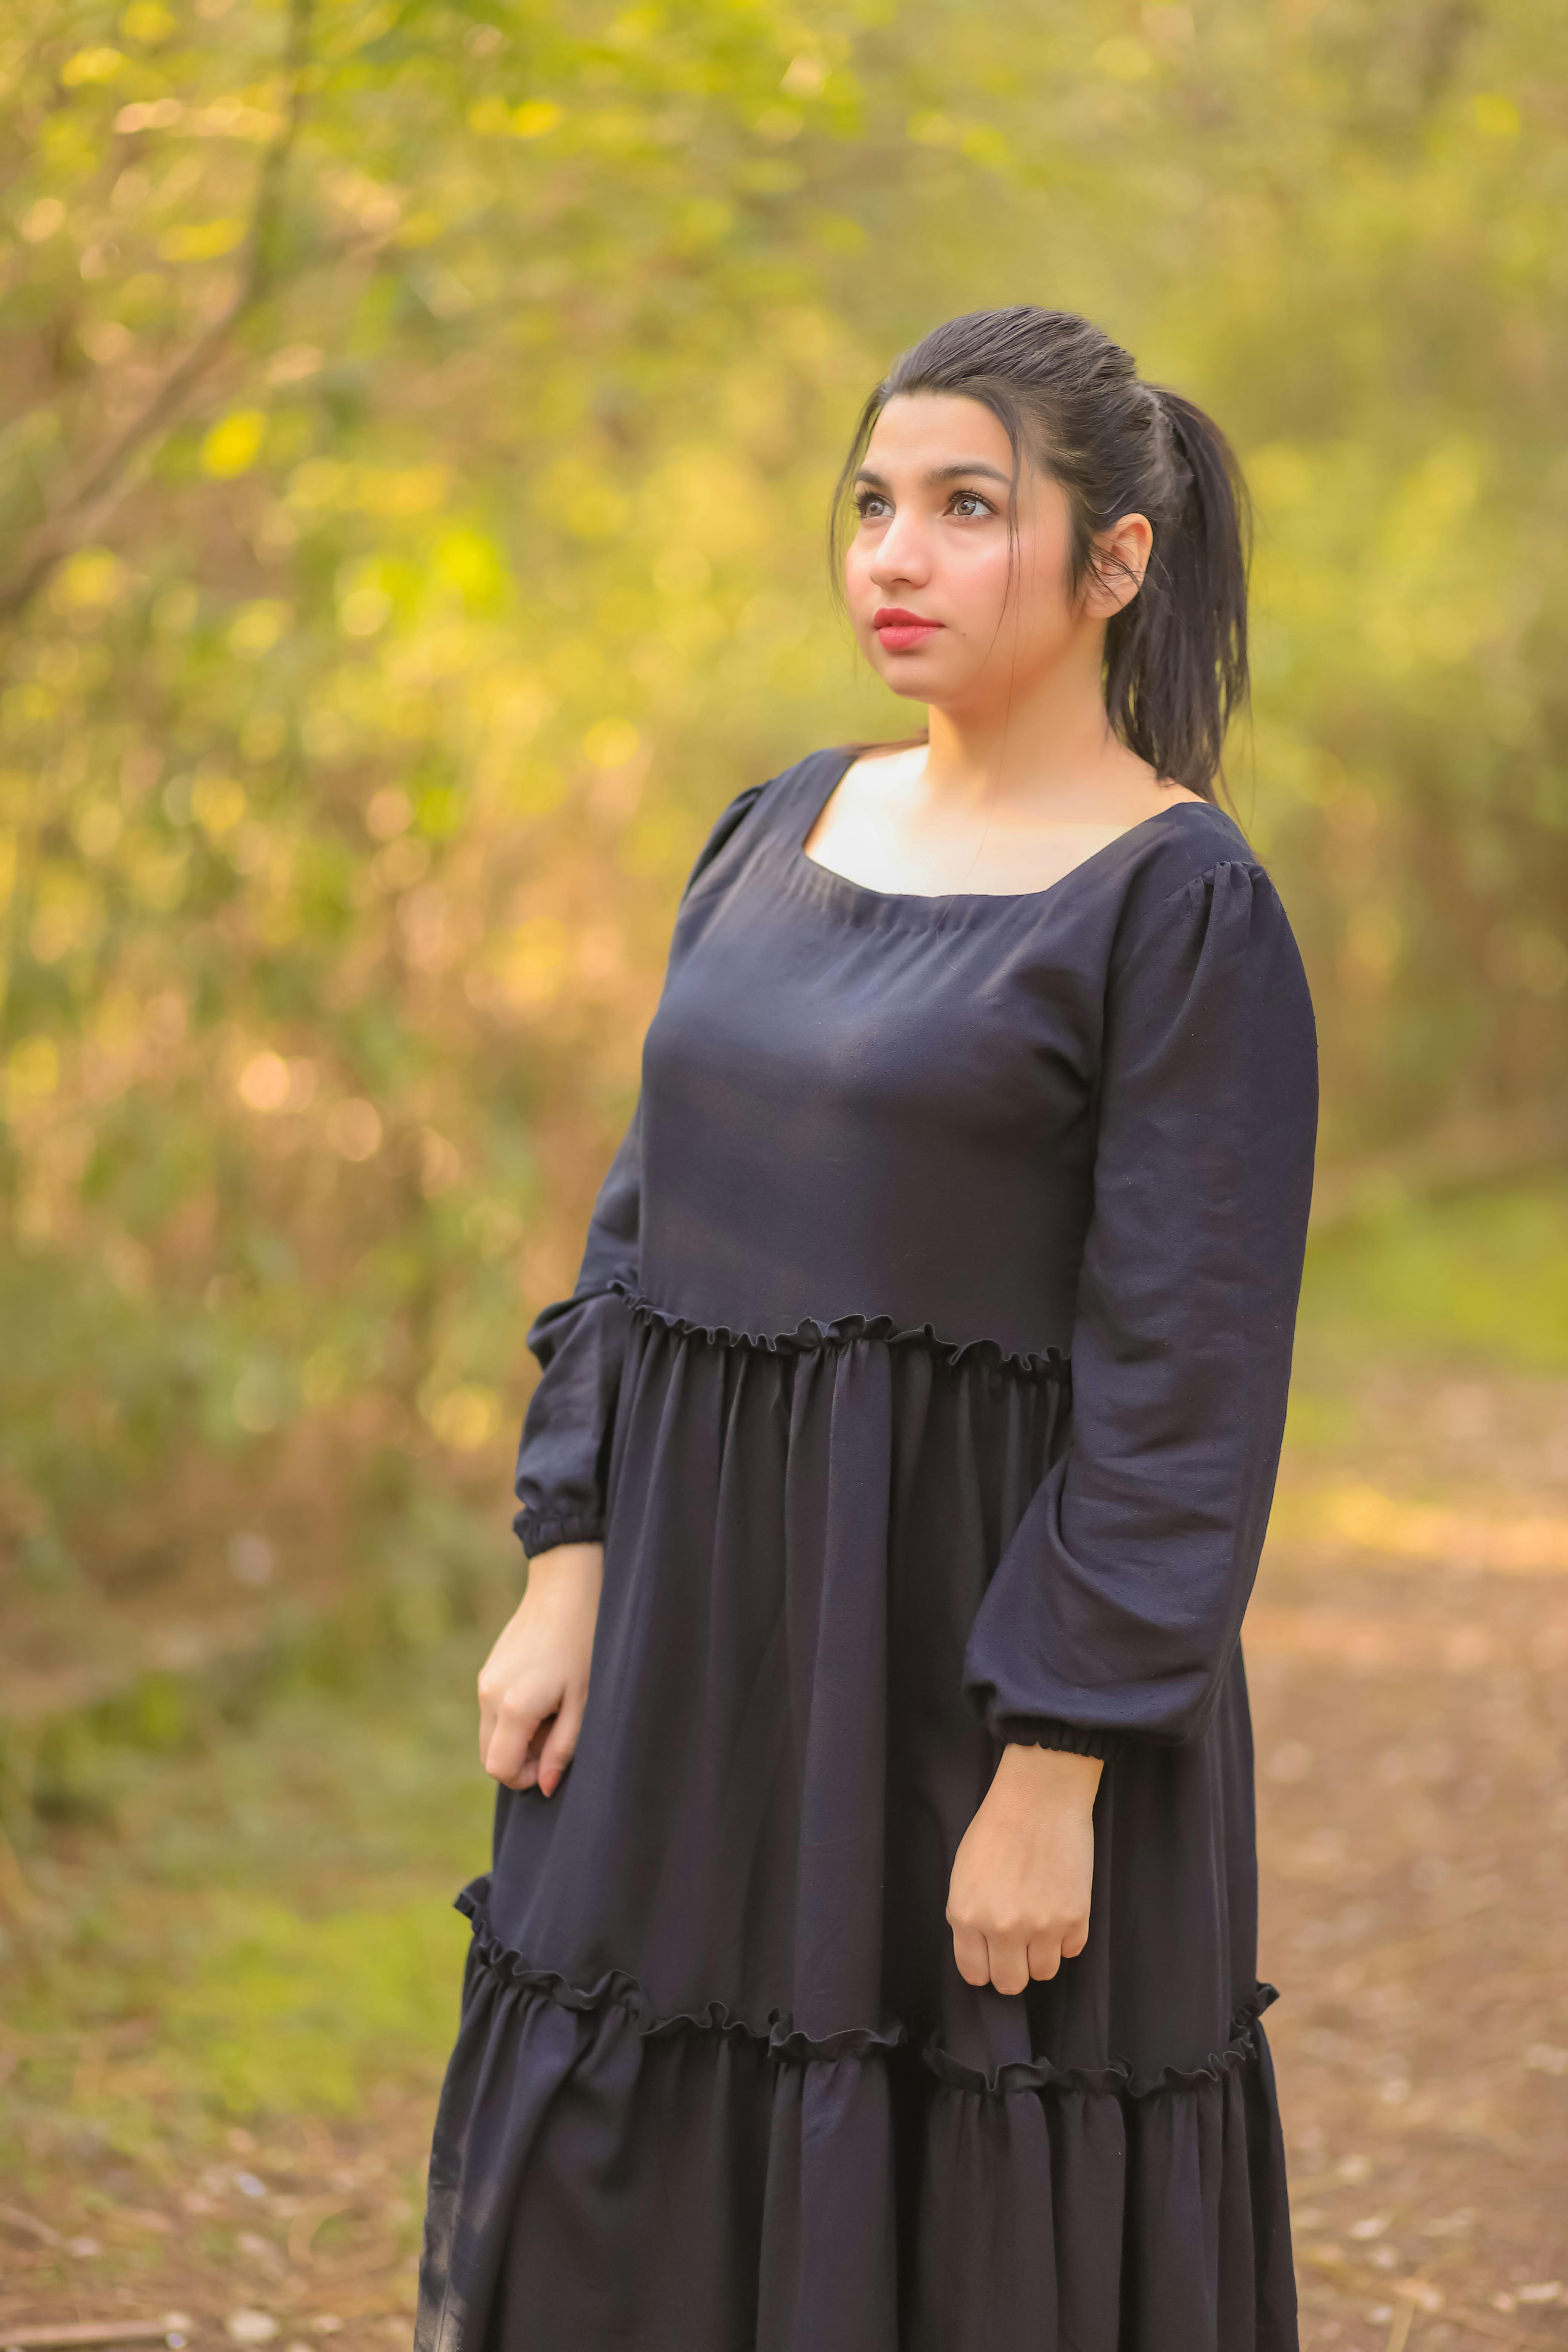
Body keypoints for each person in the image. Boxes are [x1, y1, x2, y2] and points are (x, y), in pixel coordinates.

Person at [414, 304, 1318, 2352]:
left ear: (1116, 561)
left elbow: (1185, 1384)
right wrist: (567, 1561)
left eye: (966, 508)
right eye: (873, 504)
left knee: (953, 2208)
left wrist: (1059, 1763)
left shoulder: (1180, 905)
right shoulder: (776, 825)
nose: (895, 557)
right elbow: (644, 1218)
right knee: (617, 2171)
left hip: (970, 1686)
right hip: (694, 1654)